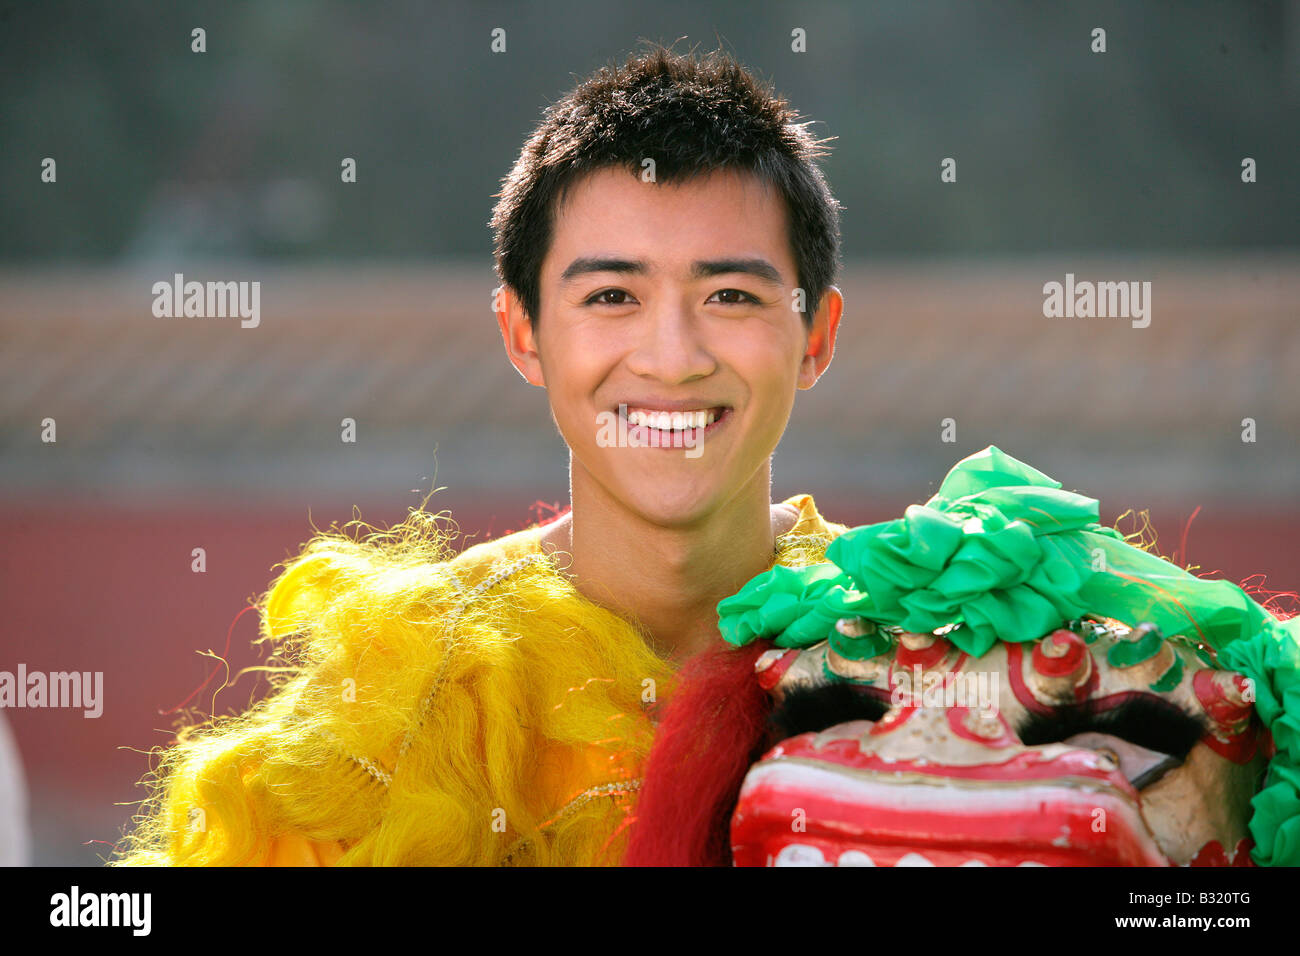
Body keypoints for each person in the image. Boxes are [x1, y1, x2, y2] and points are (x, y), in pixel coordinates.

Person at [113, 42, 846, 866]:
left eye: (730, 296)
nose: (672, 358)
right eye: (612, 296)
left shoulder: (917, 644)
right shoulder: (410, 701)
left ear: (815, 336)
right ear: (523, 333)